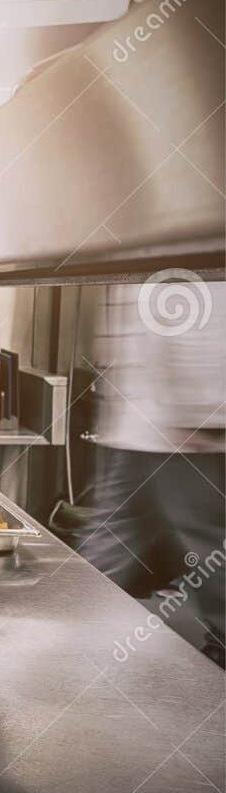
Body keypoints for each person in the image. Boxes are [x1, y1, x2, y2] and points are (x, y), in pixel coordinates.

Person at [74, 279, 225, 665]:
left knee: (202, 549)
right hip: (152, 422)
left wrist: (201, 411)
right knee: (117, 537)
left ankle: (73, 637)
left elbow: (198, 310)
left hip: (178, 424)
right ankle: (74, 638)